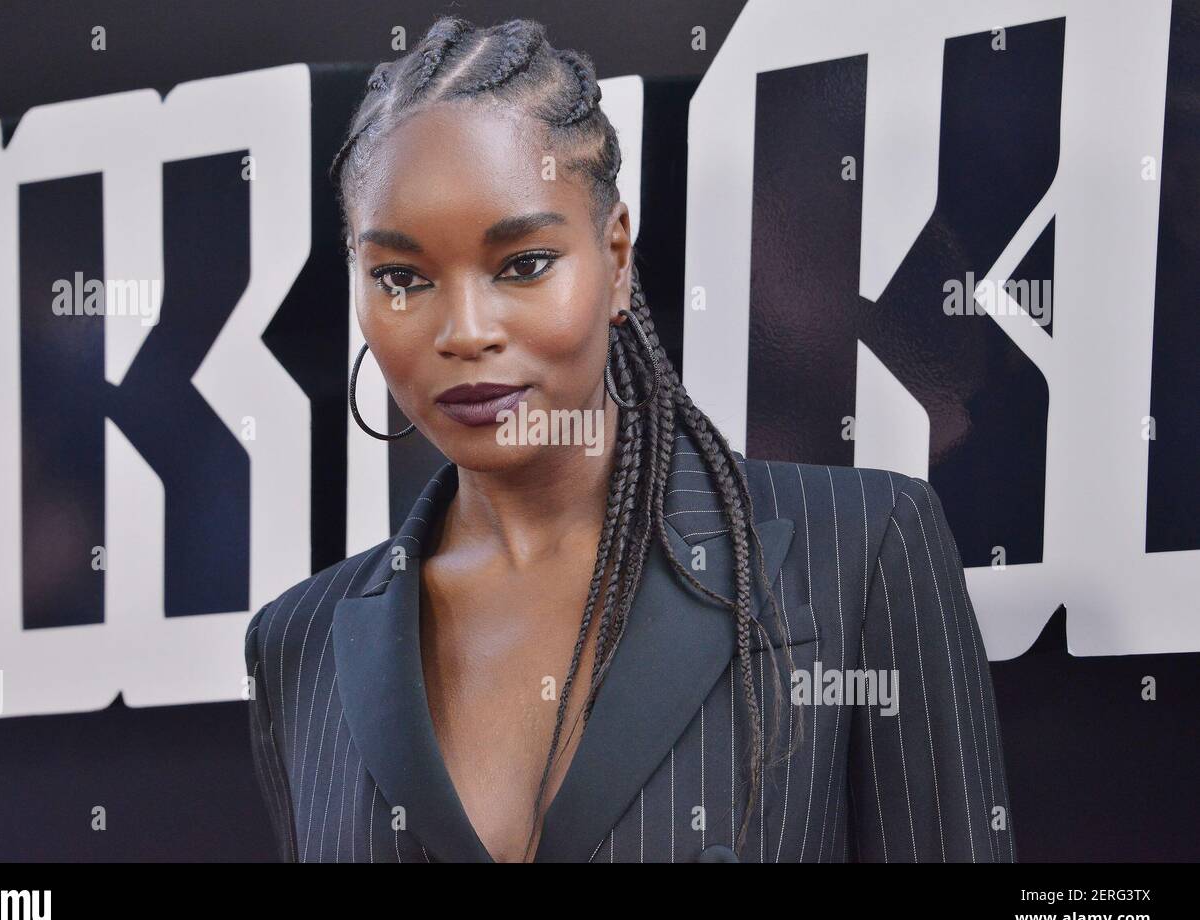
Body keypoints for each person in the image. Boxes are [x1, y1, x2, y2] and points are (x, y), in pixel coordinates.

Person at [244, 15, 1015, 863]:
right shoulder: (299, 647)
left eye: (524, 263)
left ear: (615, 257)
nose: (464, 330)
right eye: (402, 277)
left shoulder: (860, 553)